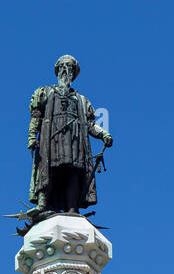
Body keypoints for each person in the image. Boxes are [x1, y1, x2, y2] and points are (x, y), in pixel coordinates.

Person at [28, 55, 113, 218]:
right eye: (63, 66)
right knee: (50, 170)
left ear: (74, 73)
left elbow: (90, 125)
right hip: (51, 140)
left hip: (75, 142)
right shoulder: (44, 92)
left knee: (74, 172)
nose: (66, 70)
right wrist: (32, 137)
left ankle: (72, 209)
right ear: (57, 70)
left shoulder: (81, 100)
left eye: (70, 67)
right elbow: (36, 116)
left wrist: (103, 134)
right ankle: (44, 205)